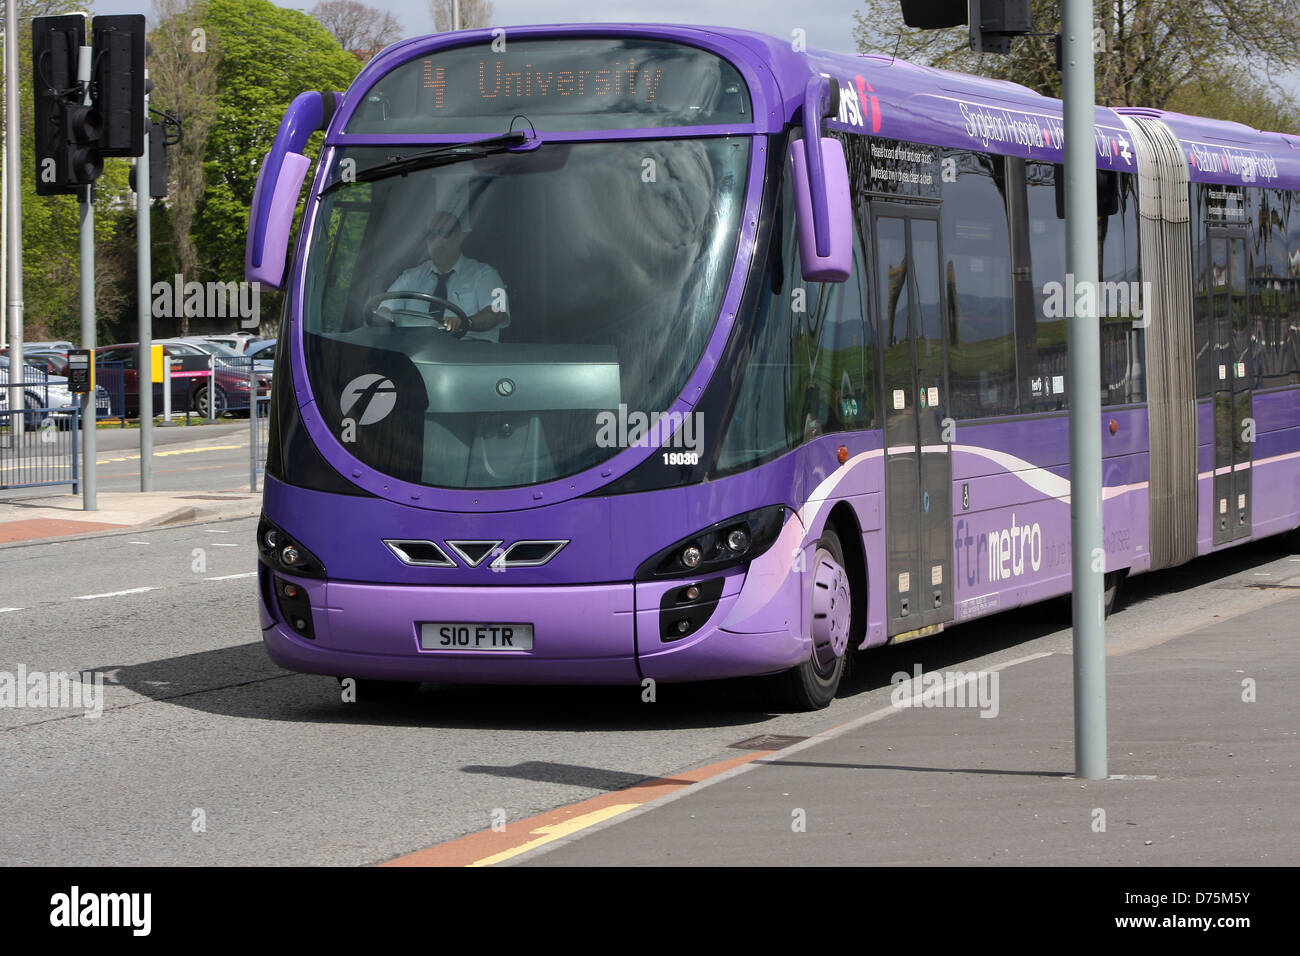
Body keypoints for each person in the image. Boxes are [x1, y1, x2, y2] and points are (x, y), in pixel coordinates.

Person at [375, 210, 510, 342]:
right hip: (416, 354)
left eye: (445, 233)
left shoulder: (487, 274)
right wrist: (384, 320)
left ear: (460, 236)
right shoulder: (410, 277)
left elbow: (497, 312)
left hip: (469, 355)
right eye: (431, 234)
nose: (438, 239)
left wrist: (466, 322)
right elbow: (385, 310)